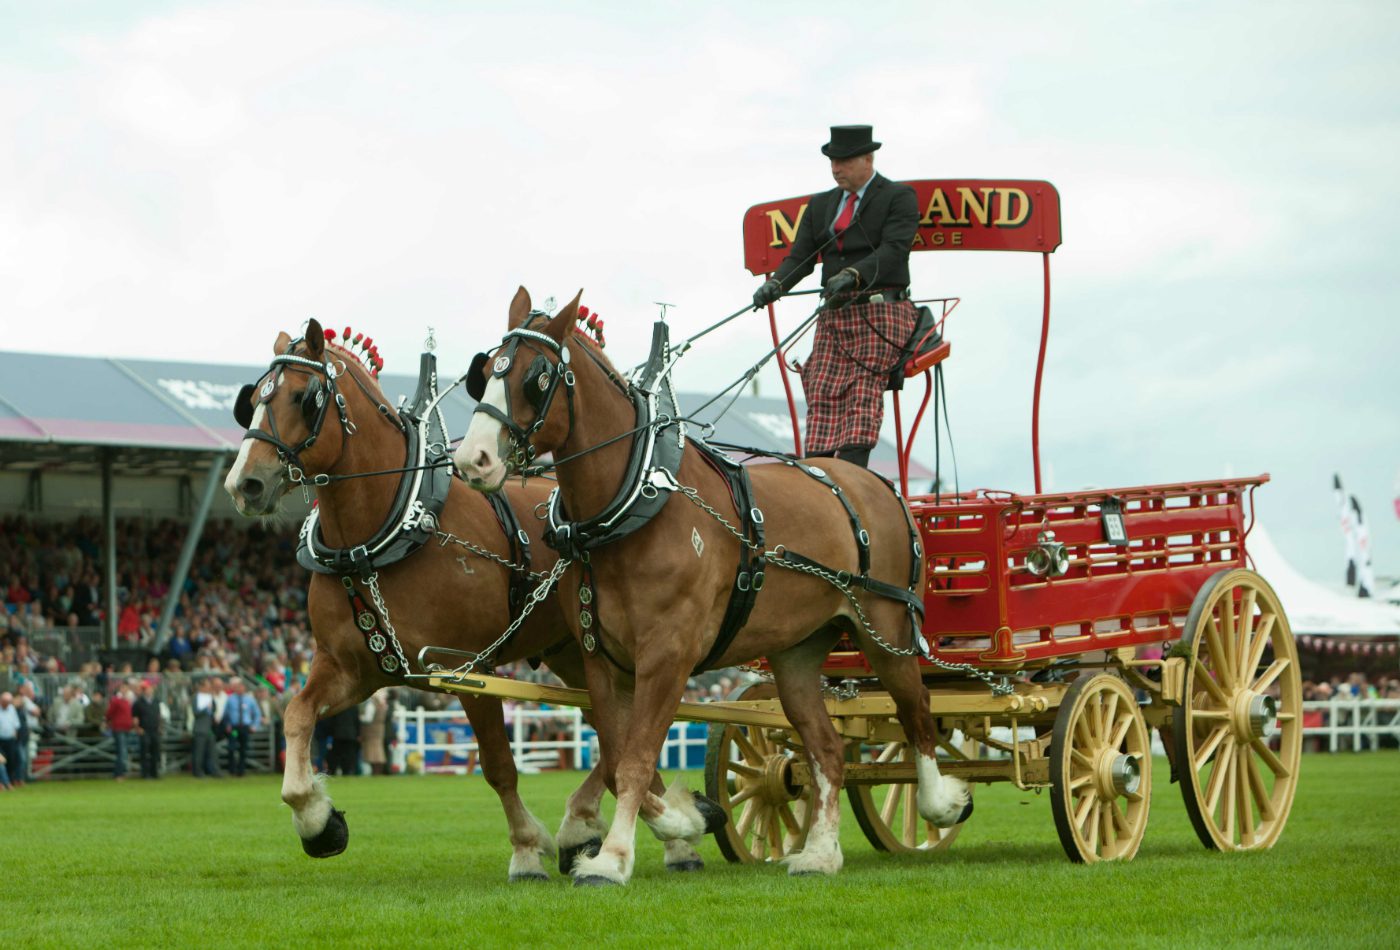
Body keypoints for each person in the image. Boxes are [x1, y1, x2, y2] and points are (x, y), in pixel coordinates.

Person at [752, 124, 919, 469]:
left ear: (868, 158)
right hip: (834, 314)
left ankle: (854, 475)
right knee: (822, 385)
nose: (835, 168)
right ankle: (818, 473)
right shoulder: (821, 205)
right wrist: (777, 285)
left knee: (861, 390)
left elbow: (894, 250)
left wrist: (854, 275)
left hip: (881, 312)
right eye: (832, 160)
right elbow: (801, 257)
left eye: (843, 160)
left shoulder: (898, 197)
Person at [221, 679, 262, 776]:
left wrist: (254, 725)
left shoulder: (250, 700)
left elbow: (257, 714)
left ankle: (241, 770)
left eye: (241, 687)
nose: (239, 689)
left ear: (244, 688)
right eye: (238, 687)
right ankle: (232, 769)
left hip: (245, 728)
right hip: (234, 728)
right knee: (232, 747)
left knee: (243, 749)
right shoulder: (230, 699)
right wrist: (227, 725)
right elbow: (225, 714)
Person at [131, 681, 163, 779]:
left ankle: (154, 772)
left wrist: (160, 727)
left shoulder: (156, 701)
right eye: (148, 690)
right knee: (144, 752)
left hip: (154, 730)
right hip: (144, 730)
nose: (150, 691)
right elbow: (135, 718)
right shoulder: (138, 703)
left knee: (155, 751)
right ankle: (145, 773)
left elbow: (158, 716)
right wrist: (137, 728)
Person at [105, 682, 135, 781]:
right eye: (123, 688)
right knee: (122, 752)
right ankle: (119, 774)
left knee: (123, 752)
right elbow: (109, 713)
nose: (125, 690)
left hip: (126, 728)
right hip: (119, 728)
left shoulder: (127, 701)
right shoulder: (116, 700)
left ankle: (121, 772)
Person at [190, 678, 220, 777]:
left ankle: (214, 771)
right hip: (199, 729)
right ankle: (197, 771)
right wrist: (205, 708)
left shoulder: (209, 697)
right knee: (199, 752)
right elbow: (196, 713)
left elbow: (214, 709)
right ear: (202, 687)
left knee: (212, 751)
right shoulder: (195, 697)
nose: (209, 688)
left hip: (209, 728)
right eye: (207, 686)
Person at [0, 692, 21, 788]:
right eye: (5, 701)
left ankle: (10, 780)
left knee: (11, 760)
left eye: (8, 702)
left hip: (10, 739)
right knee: (1, 761)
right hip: (0, 739)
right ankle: (4, 782)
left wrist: (15, 733)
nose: (6, 704)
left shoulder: (12, 709)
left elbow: (16, 723)